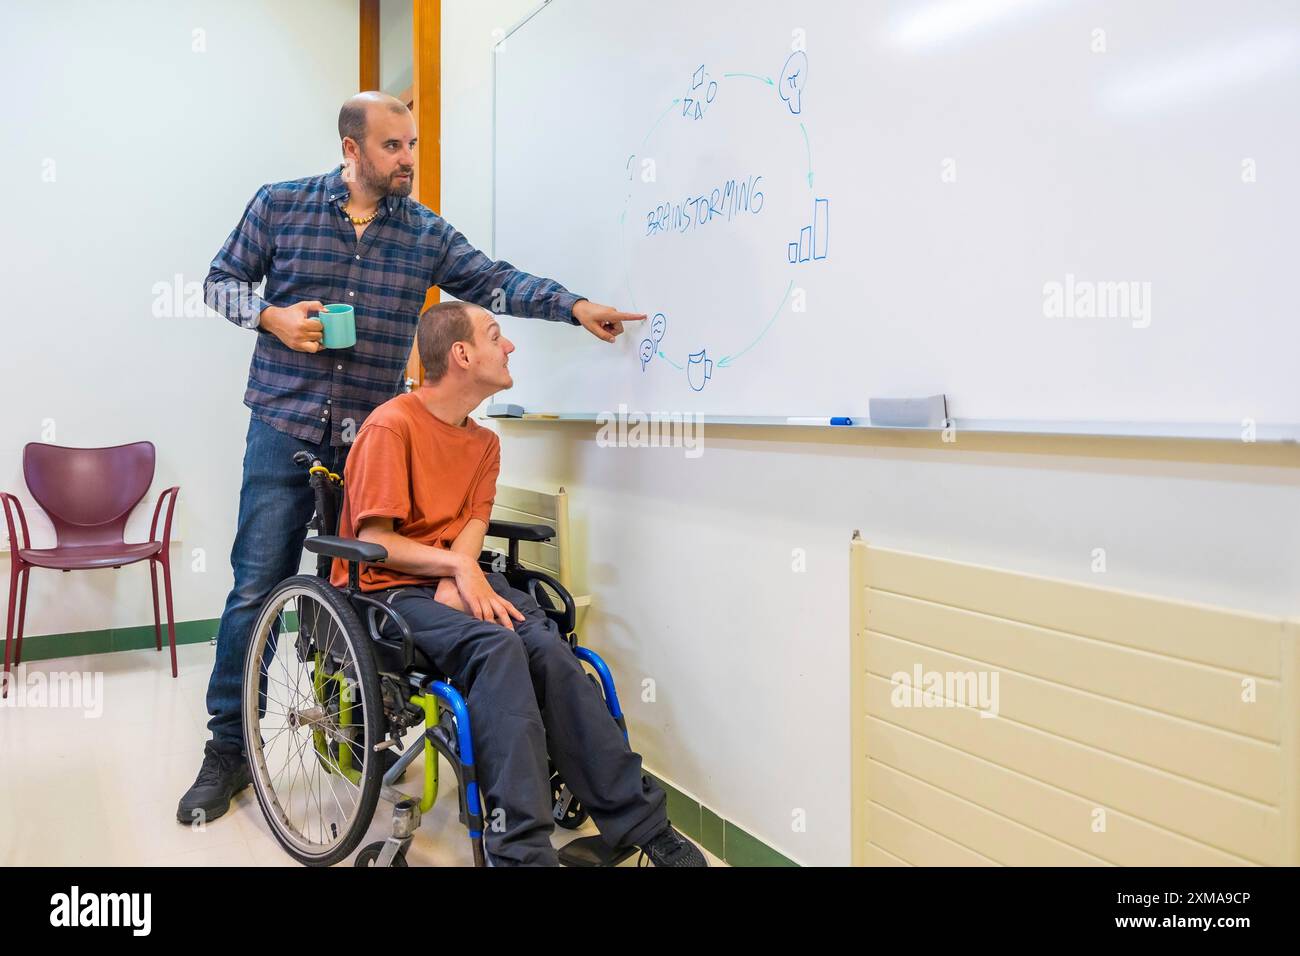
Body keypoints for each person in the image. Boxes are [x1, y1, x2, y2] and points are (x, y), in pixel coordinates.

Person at [180, 91, 643, 825]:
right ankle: (227, 751)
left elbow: (496, 281)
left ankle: (352, 727)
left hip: (370, 434)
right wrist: (270, 315)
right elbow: (219, 282)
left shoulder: (424, 233)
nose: (408, 161)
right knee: (254, 587)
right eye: (393, 147)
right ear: (351, 149)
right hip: (283, 424)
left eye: (414, 145)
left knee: (357, 579)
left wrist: (574, 305)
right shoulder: (281, 205)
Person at [334, 299, 705, 866]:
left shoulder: (484, 443)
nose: (509, 346)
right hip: (389, 590)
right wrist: (456, 571)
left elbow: (472, 528)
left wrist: (465, 575)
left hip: (451, 578)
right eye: (495, 335)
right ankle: (522, 853)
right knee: (497, 647)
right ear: (460, 354)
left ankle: (641, 822)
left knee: (548, 648)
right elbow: (378, 541)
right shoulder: (392, 426)